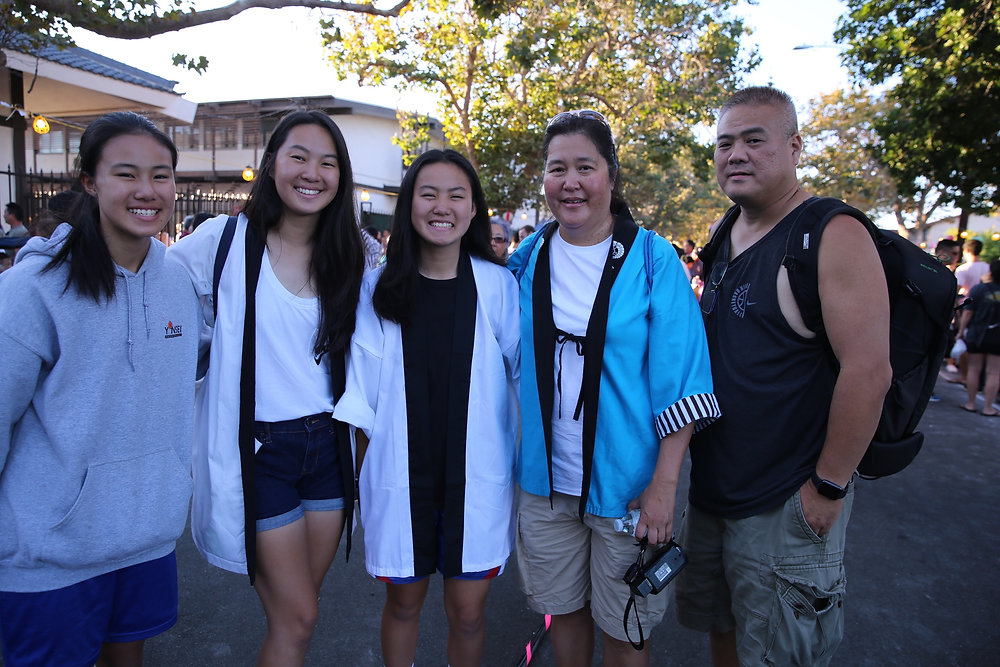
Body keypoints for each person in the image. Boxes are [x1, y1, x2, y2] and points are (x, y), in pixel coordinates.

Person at [674, 86, 892, 666]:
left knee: (777, 656)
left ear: (795, 147)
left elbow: (869, 372)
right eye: (724, 143)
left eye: (754, 140)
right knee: (723, 633)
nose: (736, 154)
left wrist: (828, 487)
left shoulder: (831, 232)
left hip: (785, 501)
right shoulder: (725, 232)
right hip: (716, 491)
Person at [509, 109, 719, 666]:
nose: (570, 182)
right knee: (565, 614)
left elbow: (683, 380)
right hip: (544, 484)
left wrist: (664, 486)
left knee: (626, 627)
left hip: (629, 488)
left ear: (611, 174)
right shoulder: (524, 261)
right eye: (557, 169)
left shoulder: (653, 261)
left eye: (585, 167)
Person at [0, 111, 199, 666]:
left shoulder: (178, 281)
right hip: (48, 555)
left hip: (145, 540)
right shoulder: (32, 290)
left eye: (161, 175)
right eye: (126, 173)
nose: (147, 190)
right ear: (90, 181)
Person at [168, 110, 364, 666]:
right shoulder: (223, 241)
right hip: (262, 451)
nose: (312, 173)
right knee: (299, 615)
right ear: (272, 163)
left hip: (329, 447)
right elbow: (149, 288)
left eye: (328, 163)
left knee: (297, 616)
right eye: (298, 156)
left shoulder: (352, 255)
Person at [334, 149, 519, 667]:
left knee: (467, 613)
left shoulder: (498, 287)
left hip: (475, 479)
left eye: (457, 195)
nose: (443, 206)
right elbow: (363, 399)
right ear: (409, 205)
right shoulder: (377, 288)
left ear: (474, 209)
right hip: (402, 479)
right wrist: (364, 486)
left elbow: (523, 379)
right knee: (403, 603)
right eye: (429, 193)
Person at [957, 259, 1000, 416]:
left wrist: (961, 331)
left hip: (977, 335)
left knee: (974, 369)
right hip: (997, 338)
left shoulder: (979, 289)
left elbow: (968, 312)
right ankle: (988, 407)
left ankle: (971, 403)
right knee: (994, 372)